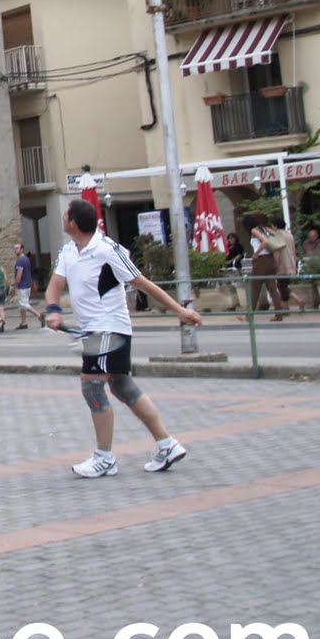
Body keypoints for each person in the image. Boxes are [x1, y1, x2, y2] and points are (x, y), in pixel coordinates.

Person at [43, 198, 202, 478]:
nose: (63, 217)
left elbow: (143, 283)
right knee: (121, 387)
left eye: (66, 214)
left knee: (91, 386)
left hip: (110, 329)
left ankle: (104, 458)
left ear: (74, 223)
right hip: (93, 330)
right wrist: (53, 310)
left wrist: (179, 310)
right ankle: (167, 444)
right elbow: (54, 286)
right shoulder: (69, 250)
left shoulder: (108, 251)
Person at [242, 214, 283, 319]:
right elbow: (277, 235)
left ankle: (249, 315)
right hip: (270, 259)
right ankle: (279, 313)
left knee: (255, 288)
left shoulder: (254, 230)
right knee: (272, 288)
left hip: (260, 261)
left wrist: (256, 253)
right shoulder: (265, 228)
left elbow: (265, 242)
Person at [270, 216, 304, 312]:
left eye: (272, 225)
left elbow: (277, 250)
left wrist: (275, 263)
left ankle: (298, 300)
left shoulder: (277, 235)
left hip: (282, 263)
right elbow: (293, 249)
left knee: (281, 285)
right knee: (283, 284)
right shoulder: (289, 235)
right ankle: (285, 306)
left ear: (275, 226)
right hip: (291, 261)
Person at [13, 243, 35, 329]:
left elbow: (19, 275)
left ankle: (39, 316)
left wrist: (15, 285)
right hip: (28, 284)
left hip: (22, 285)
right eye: (15, 248)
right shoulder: (26, 259)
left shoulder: (20, 261)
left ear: (22, 249)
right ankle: (23, 322)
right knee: (22, 305)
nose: (15, 250)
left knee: (24, 304)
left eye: (17, 248)